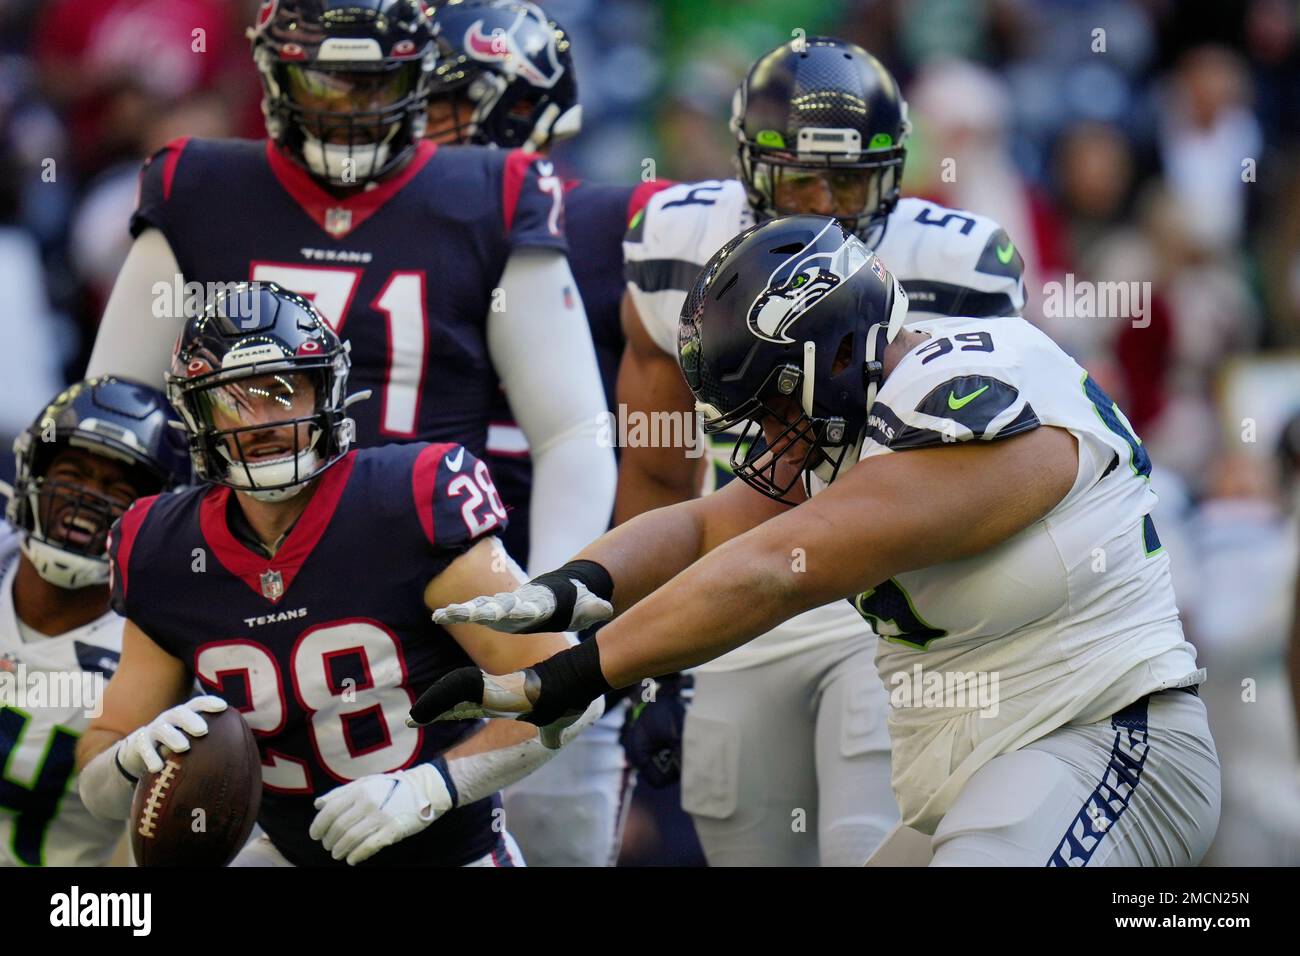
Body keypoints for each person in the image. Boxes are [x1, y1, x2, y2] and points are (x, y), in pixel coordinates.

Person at [412, 216, 1220, 867]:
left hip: (1107, 741)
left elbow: (773, 574)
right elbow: (701, 525)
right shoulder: (863, 426)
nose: (769, 436)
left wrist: (575, 674)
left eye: (771, 404)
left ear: (833, 353)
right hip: (983, 780)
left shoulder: (965, 389)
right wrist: (560, 590)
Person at [614, 37, 1027, 865]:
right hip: (733, 596)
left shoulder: (960, 264)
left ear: (895, 170)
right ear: (748, 166)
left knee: (861, 846)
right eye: (802, 178)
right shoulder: (673, 238)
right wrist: (645, 650)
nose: (829, 204)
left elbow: (993, 480)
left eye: (851, 179)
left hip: (883, 608)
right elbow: (659, 465)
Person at [82, 0, 615, 580]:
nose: (349, 112)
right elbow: (116, 410)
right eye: (324, 86)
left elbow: (571, 432)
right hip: (229, 573)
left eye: (371, 86)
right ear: (272, 73)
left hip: (430, 575)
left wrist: (546, 599)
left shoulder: (492, 195)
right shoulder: (200, 188)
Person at [75, 284, 602, 867]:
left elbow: (568, 688)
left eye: (281, 391)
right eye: (232, 400)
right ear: (196, 414)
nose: (259, 420)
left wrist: (431, 788)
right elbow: (97, 785)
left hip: (448, 855)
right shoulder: (161, 552)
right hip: (288, 853)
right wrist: (129, 760)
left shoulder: (408, 503)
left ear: (325, 391)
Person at [423, 0, 676, 866]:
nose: (422, 129)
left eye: (445, 107)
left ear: (519, 110)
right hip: (404, 625)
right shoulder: (377, 234)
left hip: (566, 625)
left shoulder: (614, 224)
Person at [0, 376, 189, 865]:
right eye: (72, 472)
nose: (87, 498)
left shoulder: (160, 645)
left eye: (117, 488)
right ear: (33, 472)